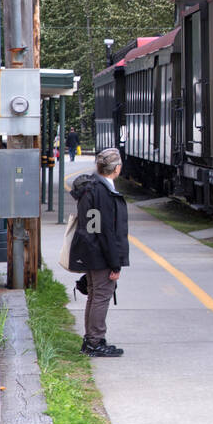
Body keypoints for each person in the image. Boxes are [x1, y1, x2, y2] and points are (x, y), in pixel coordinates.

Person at [68, 148, 129, 357]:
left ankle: (91, 340)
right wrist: (115, 263)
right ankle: (95, 341)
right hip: (101, 254)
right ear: (117, 168)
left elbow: (95, 228)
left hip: (91, 250)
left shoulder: (91, 188)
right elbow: (107, 232)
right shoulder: (104, 192)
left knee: (94, 296)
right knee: (101, 296)